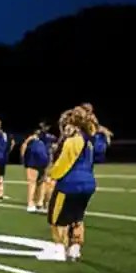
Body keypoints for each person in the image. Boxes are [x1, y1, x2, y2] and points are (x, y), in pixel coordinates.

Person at [40, 108, 96, 263]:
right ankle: (75, 249)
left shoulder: (74, 140)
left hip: (70, 183)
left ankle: (59, 249)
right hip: (88, 182)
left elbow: (65, 162)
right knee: (77, 218)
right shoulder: (89, 140)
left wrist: (52, 174)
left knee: (55, 218)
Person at [20, 122, 52, 213]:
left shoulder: (45, 137)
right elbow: (24, 147)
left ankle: (36, 203)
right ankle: (34, 203)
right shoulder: (34, 138)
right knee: (36, 182)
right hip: (36, 161)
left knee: (38, 182)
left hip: (39, 161)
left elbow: (24, 147)